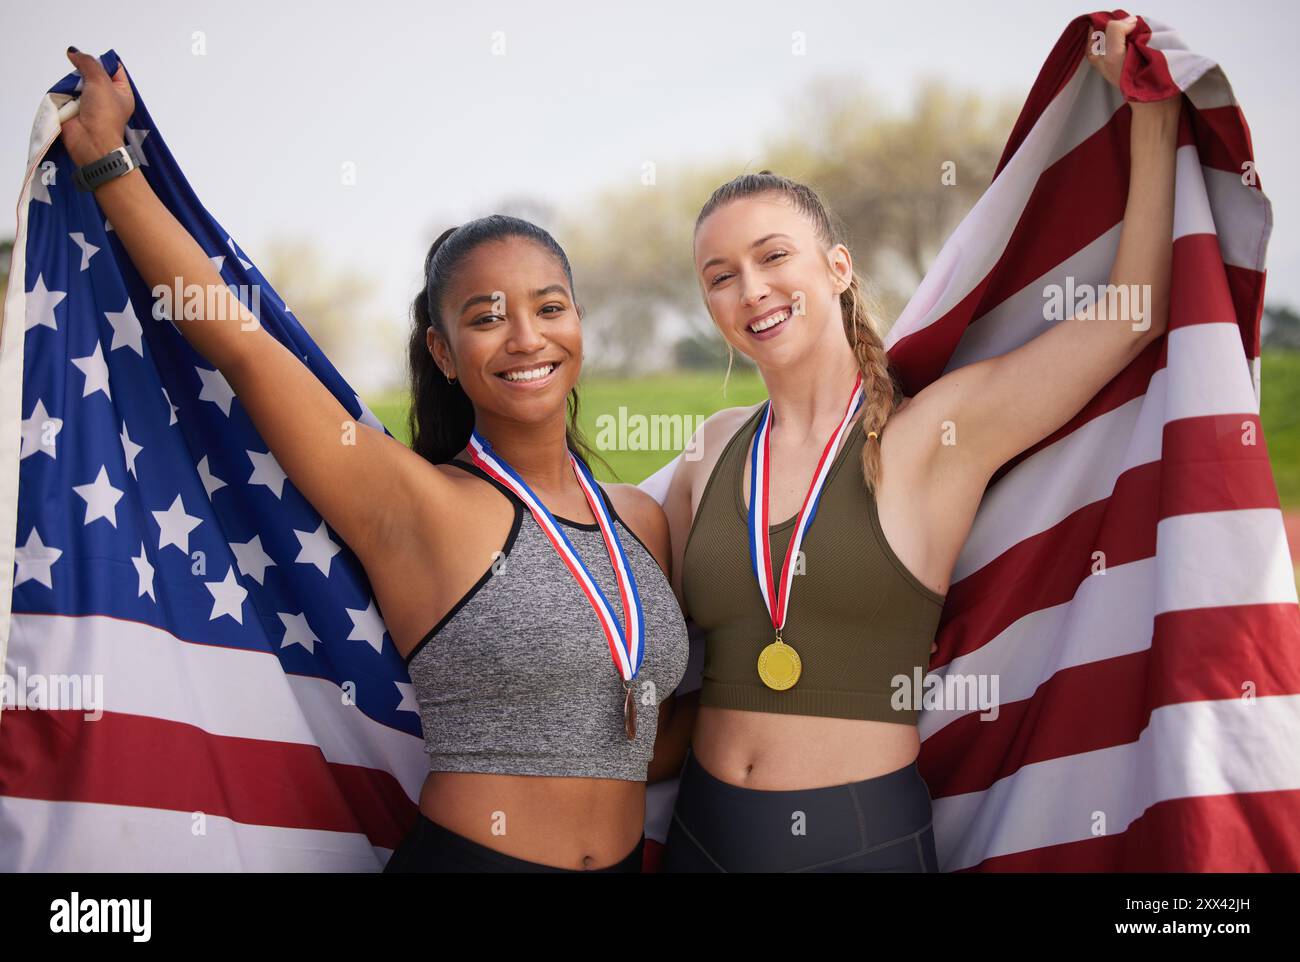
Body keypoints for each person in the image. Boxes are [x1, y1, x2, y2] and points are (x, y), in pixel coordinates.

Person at [60, 47, 691, 873]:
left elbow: (649, 738)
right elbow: (244, 348)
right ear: (444, 349)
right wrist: (112, 166)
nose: (527, 337)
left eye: (549, 307)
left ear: (579, 322)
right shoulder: (413, 501)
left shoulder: (638, 520)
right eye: (487, 317)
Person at [659, 16, 1180, 872]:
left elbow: (1130, 319)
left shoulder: (937, 433)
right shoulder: (710, 451)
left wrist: (1151, 112)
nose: (751, 289)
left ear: (837, 267)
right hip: (701, 837)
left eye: (772, 256)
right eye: (720, 277)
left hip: (857, 842)